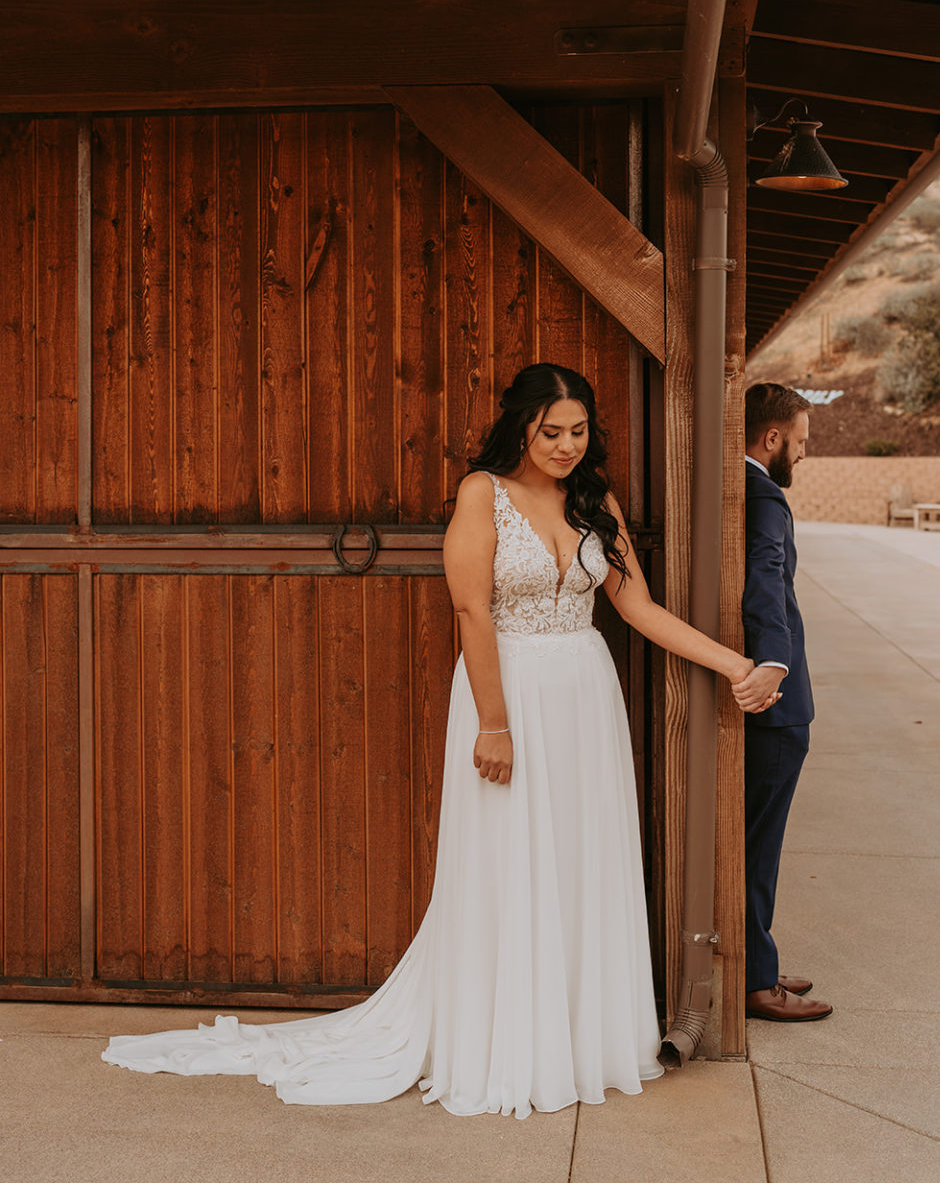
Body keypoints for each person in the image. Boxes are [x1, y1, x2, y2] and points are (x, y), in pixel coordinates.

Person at [103, 363, 779, 1116]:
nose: (564, 445)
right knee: (508, 859)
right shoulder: (482, 493)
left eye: (578, 432)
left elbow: (639, 607)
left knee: (579, 858)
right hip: (510, 689)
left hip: (586, 697)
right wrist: (495, 722)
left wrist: (734, 666)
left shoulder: (596, 499)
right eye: (550, 431)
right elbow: (472, 613)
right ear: (520, 426)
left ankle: (576, 1037)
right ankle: (504, 1041)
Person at [742, 383, 832, 1023]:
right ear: (771, 438)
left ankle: (761, 962)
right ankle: (755, 980)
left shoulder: (742, 486)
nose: (801, 456)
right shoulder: (764, 494)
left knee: (756, 842)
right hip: (776, 701)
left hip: (774, 697)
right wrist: (775, 662)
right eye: (798, 443)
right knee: (757, 844)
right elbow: (765, 573)